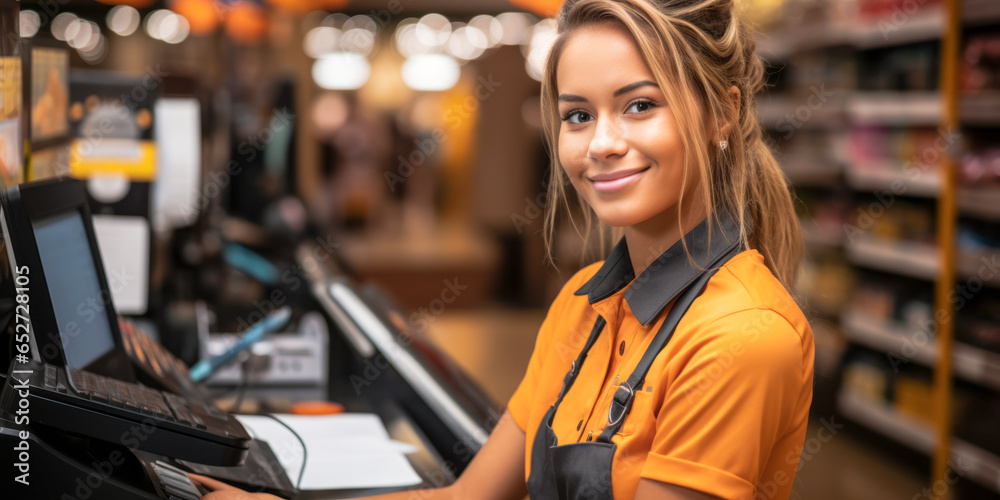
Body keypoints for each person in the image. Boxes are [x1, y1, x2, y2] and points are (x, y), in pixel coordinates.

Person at [194, 0, 813, 498]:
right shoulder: (582, 302)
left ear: (722, 116)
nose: (601, 144)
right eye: (577, 116)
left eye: (640, 106)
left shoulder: (741, 338)